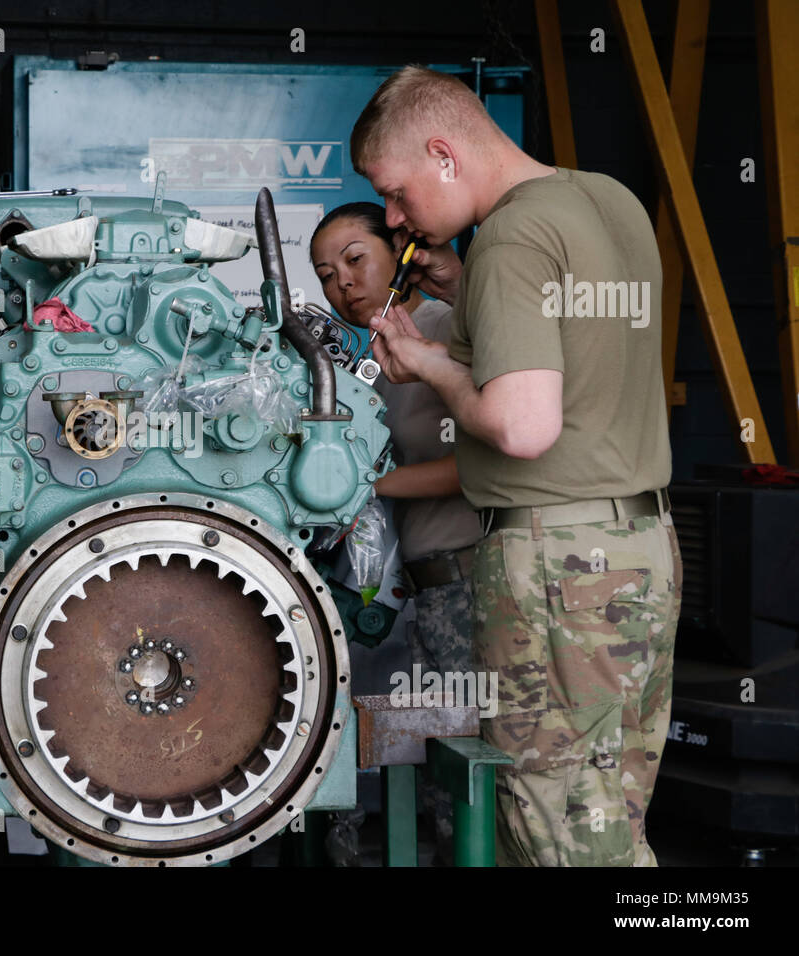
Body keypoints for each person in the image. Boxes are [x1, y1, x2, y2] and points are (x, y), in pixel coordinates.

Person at [352, 66, 682, 867]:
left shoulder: (510, 237)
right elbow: (580, 347)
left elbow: (522, 423)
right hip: (638, 546)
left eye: (395, 192)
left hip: (555, 566)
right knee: (606, 813)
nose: (396, 218)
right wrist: (471, 298)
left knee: (553, 830)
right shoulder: (608, 202)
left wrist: (429, 365)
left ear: (444, 154)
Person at [311, 202, 481, 865]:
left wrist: (360, 487)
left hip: (461, 588)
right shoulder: (372, 361)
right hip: (408, 594)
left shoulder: (439, 333)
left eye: (356, 259)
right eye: (326, 274)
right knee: (409, 762)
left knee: (459, 780)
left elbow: (478, 465)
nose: (342, 284)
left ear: (402, 254)